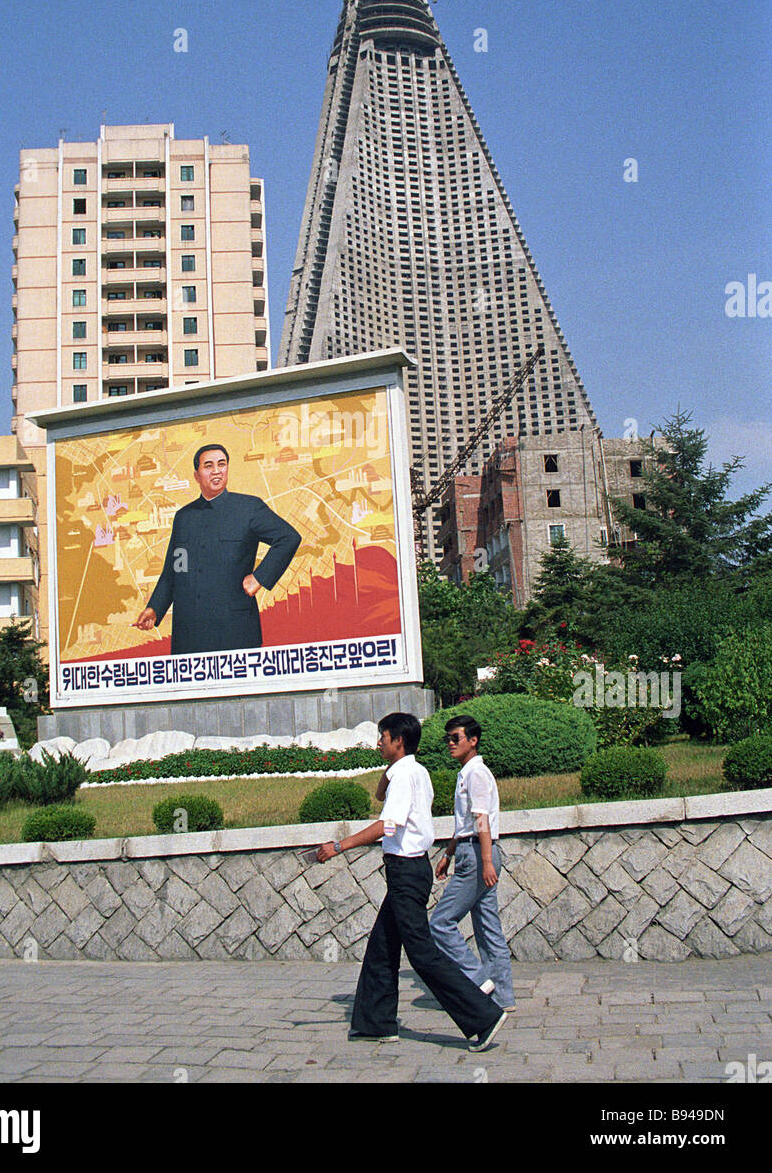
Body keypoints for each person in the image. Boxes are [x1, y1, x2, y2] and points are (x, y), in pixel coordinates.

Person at [315, 712, 508, 1052]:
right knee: (382, 947)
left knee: (422, 954)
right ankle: (376, 1024)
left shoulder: (405, 777)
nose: (378, 743)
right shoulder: (413, 772)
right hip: (409, 869)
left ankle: (484, 1016)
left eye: (383, 737)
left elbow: (386, 825)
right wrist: (388, 770)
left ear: (398, 741)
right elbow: (380, 795)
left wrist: (338, 846)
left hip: (405, 871)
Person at [133, 444, 301, 654]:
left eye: (221, 464)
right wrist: (155, 608)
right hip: (189, 636)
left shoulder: (248, 508)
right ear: (196, 475)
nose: (216, 470)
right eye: (208, 465)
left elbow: (288, 538)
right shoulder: (184, 517)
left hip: (234, 632)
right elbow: (176, 570)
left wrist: (259, 578)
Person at [430, 714, 516, 1012]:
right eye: (448, 739)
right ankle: (502, 998)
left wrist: (487, 862)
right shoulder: (467, 773)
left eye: (457, 738)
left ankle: (480, 982)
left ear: (473, 740)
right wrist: (447, 855)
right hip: (472, 850)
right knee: (487, 926)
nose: (451, 744)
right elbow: (466, 823)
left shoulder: (476, 774)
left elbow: (481, 821)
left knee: (440, 923)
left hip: (479, 854)